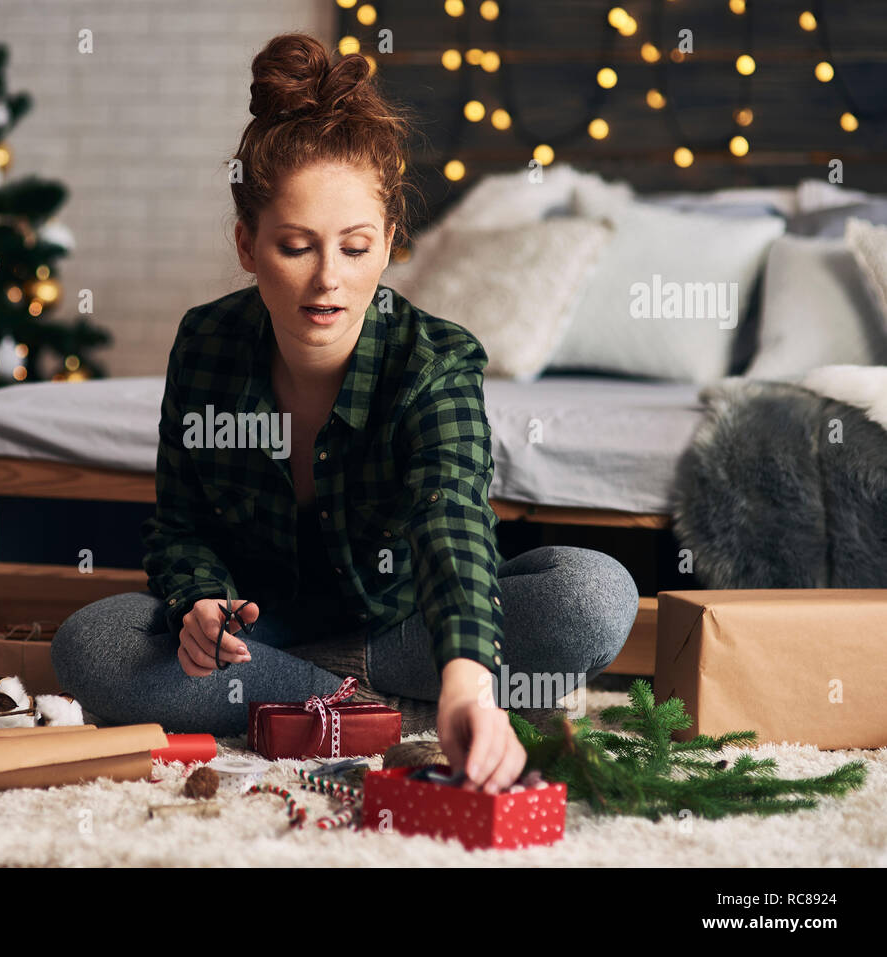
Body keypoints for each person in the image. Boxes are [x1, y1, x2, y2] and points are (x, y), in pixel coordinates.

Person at [52, 32, 638, 794]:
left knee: (592, 594)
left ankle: (318, 700)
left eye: (356, 248)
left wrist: (464, 677)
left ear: (391, 243)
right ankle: (369, 710)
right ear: (247, 243)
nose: (327, 280)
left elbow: (453, 522)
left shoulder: (436, 360)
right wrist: (200, 602)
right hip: (264, 634)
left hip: (407, 630)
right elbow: (180, 525)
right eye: (295, 246)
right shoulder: (206, 343)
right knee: (92, 645)